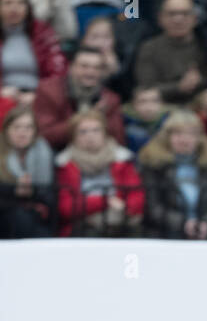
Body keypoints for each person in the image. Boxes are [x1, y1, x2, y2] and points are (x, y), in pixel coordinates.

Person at [138, 106, 207, 238]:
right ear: (167, 137)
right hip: (166, 236)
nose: (185, 139)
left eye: (191, 134)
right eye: (178, 134)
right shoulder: (154, 165)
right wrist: (183, 223)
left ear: (200, 137)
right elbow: (153, 207)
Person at [55, 106, 143, 235]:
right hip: (83, 226)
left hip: (120, 220)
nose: (90, 136)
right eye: (83, 132)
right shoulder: (64, 163)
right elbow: (66, 207)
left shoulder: (122, 159)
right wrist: (105, 201)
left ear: (105, 133)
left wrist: (125, 208)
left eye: (96, 130)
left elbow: (137, 195)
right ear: (73, 136)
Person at [134, 0, 207, 105]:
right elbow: (146, 89)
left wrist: (203, 83)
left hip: (201, 106)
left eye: (185, 13)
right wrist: (179, 87)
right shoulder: (149, 48)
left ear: (195, 18)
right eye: (171, 14)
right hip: (162, 108)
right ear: (160, 19)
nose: (178, 19)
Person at [34, 41, 124, 148]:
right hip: (59, 150)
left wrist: (102, 121)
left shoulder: (110, 99)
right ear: (71, 67)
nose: (91, 72)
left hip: (97, 152)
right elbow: (45, 135)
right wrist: (85, 118)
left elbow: (118, 140)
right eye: (84, 66)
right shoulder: (49, 91)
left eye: (97, 68)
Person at [0, 0, 65, 105]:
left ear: (28, 7)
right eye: (8, 3)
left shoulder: (43, 33)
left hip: (39, 98)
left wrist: (39, 95)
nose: (14, 8)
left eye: (21, 3)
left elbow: (58, 73)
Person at [0, 101, 53, 235]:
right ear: (6, 129)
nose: (22, 133)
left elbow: (52, 195)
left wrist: (33, 191)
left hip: (35, 216)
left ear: (35, 131)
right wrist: (13, 191)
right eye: (17, 127)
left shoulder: (44, 152)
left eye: (28, 128)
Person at [122, 83, 166, 156]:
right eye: (142, 101)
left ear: (162, 103)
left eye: (154, 101)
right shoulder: (124, 127)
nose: (149, 107)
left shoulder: (170, 124)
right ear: (133, 104)